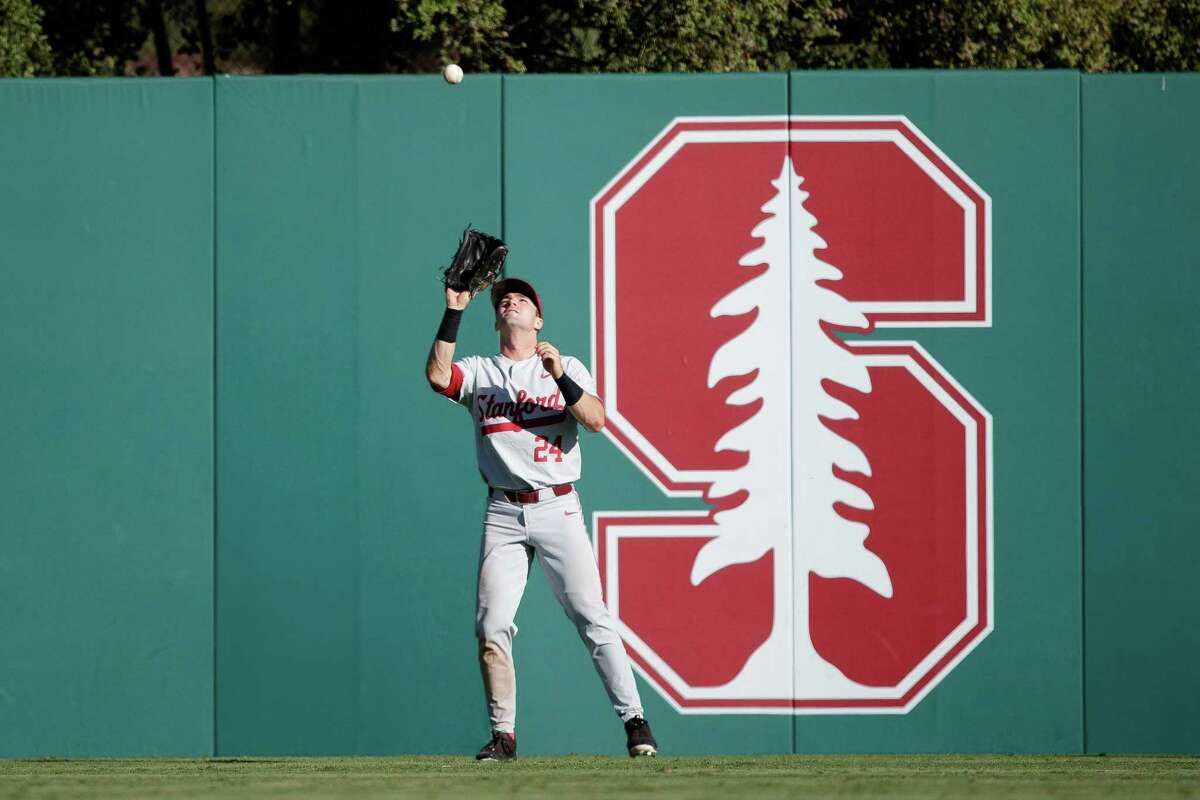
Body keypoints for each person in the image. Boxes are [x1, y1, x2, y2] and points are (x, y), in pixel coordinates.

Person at [425, 276, 659, 761]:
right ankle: (504, 735)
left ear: (539, 320)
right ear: (496, 321)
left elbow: (595, 420)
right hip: (504, 510)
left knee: (591, 616)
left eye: (522, 299)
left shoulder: (564, 365)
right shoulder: (481, 370)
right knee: (491, 626)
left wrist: (560, 377)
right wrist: (454, 310)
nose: (511, 302)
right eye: (504, 300)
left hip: (557, 505)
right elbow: (437, 376)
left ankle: (635, 722)